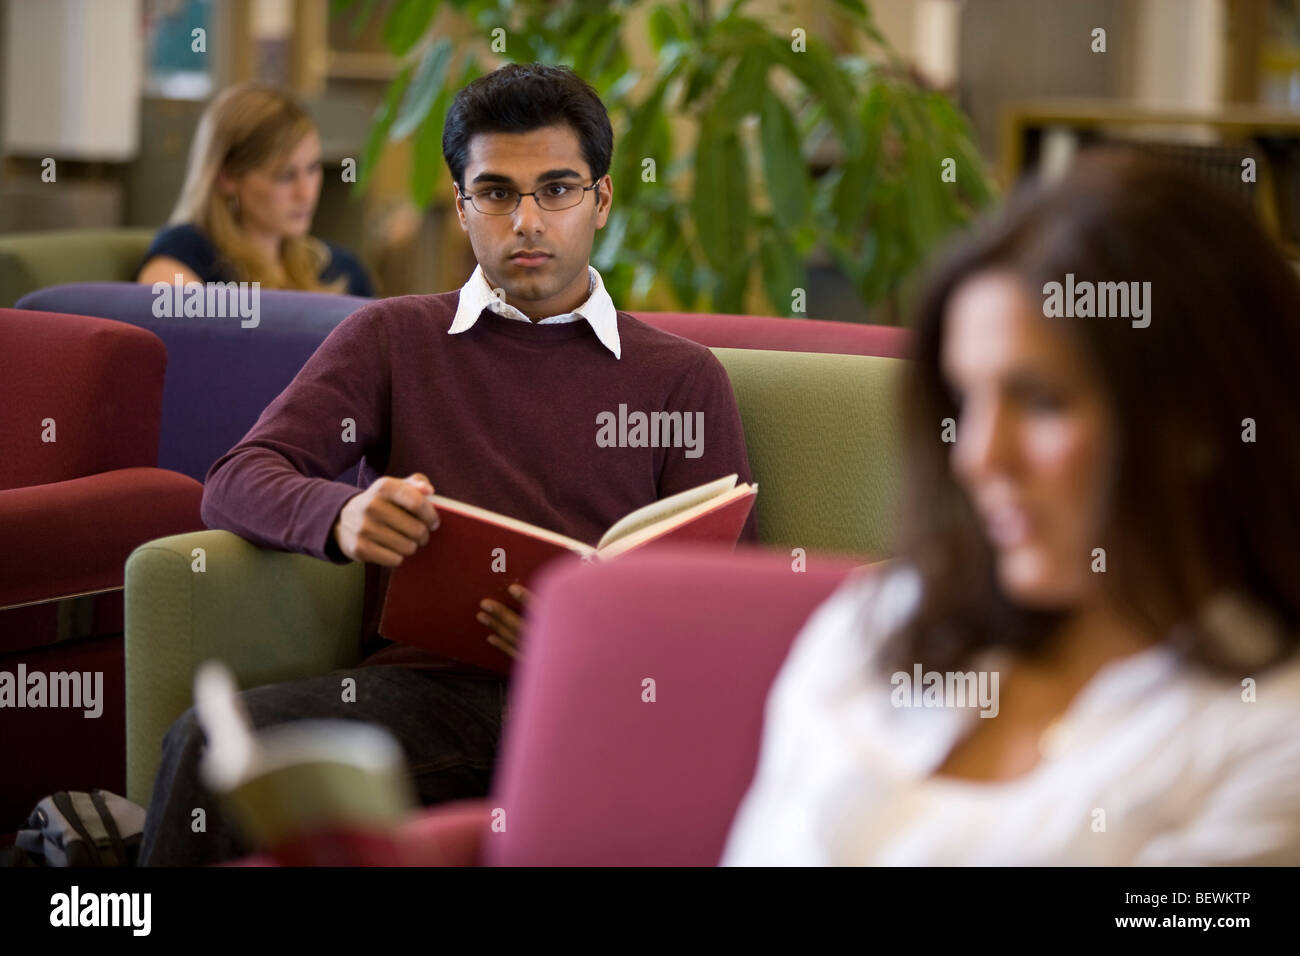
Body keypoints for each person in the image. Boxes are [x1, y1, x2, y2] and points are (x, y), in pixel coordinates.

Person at [138, 63, 758, 865]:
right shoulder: (394, 338)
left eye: (557, 190)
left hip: (607, 706)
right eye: (496, 193)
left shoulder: (681, 377)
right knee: (207, 744)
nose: (526, 221)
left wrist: (592, 642)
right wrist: (342, 514)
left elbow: (733, 601)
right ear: (462, 206)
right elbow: (237, 477)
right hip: (422, 698)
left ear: (601, 199)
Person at [722, 149, 1300, 866]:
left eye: (1042, 401)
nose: (979, 457)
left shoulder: (1270, 736)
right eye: (967, 400)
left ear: (1200, 421)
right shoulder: (879, 624)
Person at [137, 83, 373, 296]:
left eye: (312, 168)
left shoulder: (342, 269)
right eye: (285, 176)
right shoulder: (184, 253)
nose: (306, 193)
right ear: (227, 177)